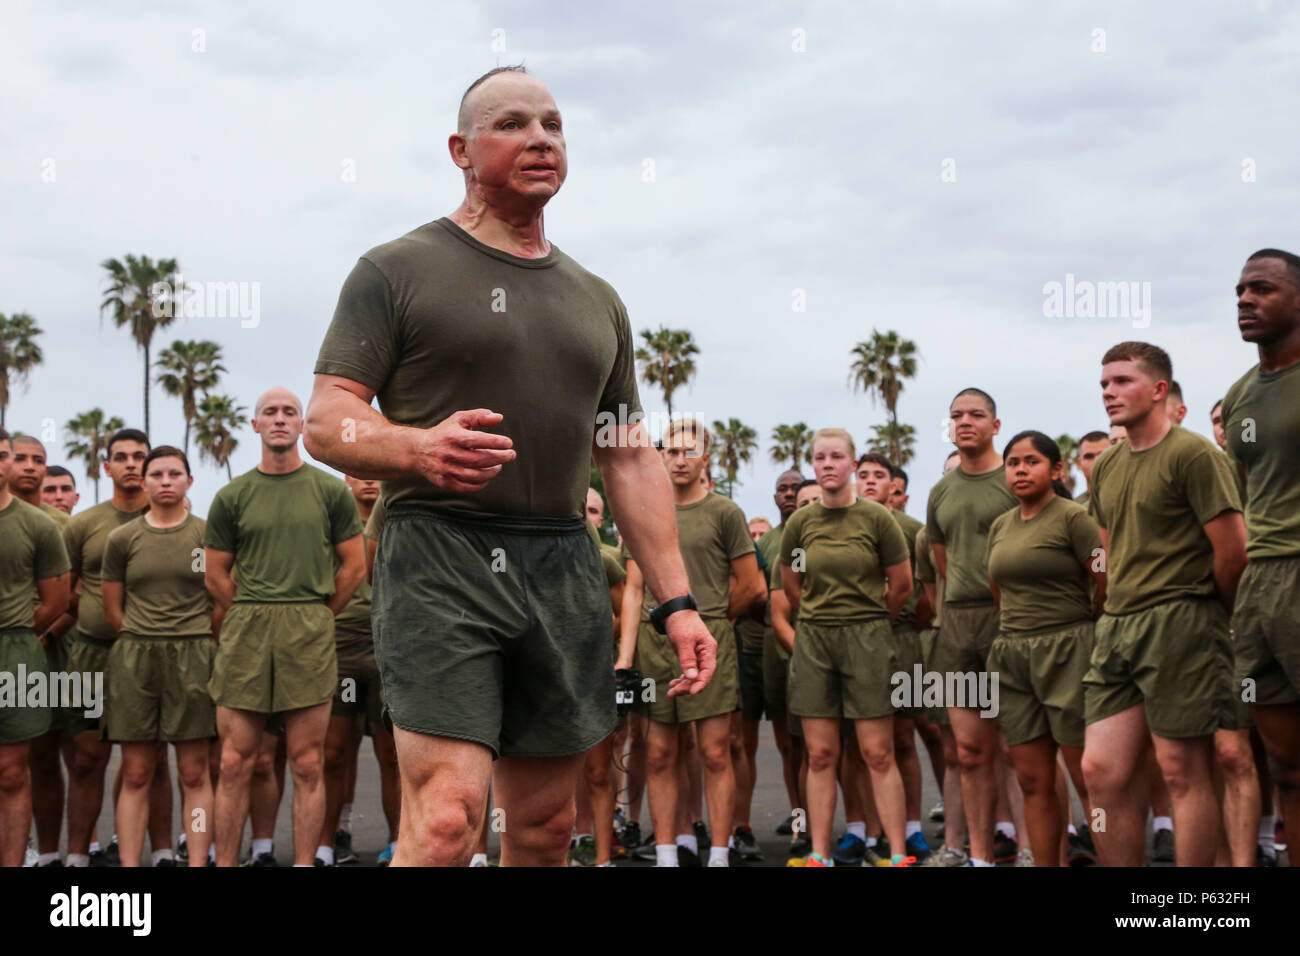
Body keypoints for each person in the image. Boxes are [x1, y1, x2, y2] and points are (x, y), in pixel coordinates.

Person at [305, 66, 719, 867]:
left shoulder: (596, 298)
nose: (540, 139)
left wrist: (677, 603)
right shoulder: (397, 268)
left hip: (562, 559)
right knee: (451, 818)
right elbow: (328, 418)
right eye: (514, 124)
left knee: (544, 827)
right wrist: (414, 448)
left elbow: (627, 457)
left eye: (554, 125)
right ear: (461, 150)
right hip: (439, 553)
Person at [1081, 342, 1246, 867]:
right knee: (1100, 771)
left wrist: (1209, 617)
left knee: (1182, 771)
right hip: (1118, 627)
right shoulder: (1105, 466)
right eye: (1105, 382)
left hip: (1183, 619)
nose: (1109, 392)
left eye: (1123, 381)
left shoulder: (1194, 454)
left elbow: (1233, 553)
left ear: (1158, 390)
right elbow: (1108, 552)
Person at [204, 388, 366, 867]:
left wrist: (316, 615)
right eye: (269, 412)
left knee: (308, 762)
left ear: (301, 425)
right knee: (235, 762)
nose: (279, 419)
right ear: (254, 425)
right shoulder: (232, 496)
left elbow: (354, 567)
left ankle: (303, 862)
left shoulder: (330, 491)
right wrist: (252, 611)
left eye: (289, 412)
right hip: (247, 628)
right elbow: (214, 574)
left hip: (309, 630)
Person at [621, 419, 764, 866]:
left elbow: (751, 585)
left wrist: (713, 621)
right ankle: (666, 852)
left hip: (710, 639)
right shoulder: (643, 510)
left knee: (715, 751)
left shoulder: (725, 513)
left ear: (705, 459)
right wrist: (624, 660)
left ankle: (718, 854)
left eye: (688, 452)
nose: (678, 459)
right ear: (660, 456)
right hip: (654, 643)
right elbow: (634, 590)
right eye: (670, 451)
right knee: (659, 753)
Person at [781, 429, 914, 867]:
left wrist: (871, 621)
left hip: (869, 638)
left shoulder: (877, 519)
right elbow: (792, 586)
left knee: (878, 752)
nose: (828, 464)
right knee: (820, 754)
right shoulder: (801, 523)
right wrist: (822, 617)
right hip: (815, 640)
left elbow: (902, 586)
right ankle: (819, 853)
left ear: (852, 465)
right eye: (820, 457)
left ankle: (896, 853)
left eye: (837, 456)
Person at [985, 431, 1105, 866]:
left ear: (1057, 470)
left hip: (1070, 650)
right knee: (1033, 780)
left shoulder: (1073, 518)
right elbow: (998, 588)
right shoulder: (1001, 525)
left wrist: (1080, 632)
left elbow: (1104, 579)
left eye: (1031, 461)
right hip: (1013, 654)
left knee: (1087, 778)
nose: (1019, 469)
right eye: (1013, 462)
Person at [62, 428, 174, 867]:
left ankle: (163, 851)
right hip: (92, 655)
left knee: (154, 760)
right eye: (121, 457)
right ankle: (76, 855)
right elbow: (65, 586)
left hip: (153, 657)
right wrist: (97, 611)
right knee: (88, 759)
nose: (131, 464)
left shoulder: (175, 521)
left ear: (149, 468)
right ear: (106, 467)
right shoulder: (83, 524)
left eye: (139, 457)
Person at [101, 446, 217, 868]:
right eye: (157, 474)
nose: (165, 481)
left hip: (194, 655)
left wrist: (199, 642)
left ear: (189, 480)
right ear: (144, 482)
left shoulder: (206, 537)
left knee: (193, 773)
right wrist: (141, 640)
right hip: (135, 657)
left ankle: (199, 860)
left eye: (174, 473)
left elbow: (221, 599)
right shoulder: (122, 539)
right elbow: (113, 608)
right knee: (135, 773)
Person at [1223, 248, 1300, 867]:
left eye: (1263, 289)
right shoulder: (1242, 394)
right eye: (1241, 290)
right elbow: (1246, 494)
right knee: (1283, 764)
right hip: (1260, 583)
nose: (1246, 300)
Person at [925, 389, 1019, 867]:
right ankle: (978, 856)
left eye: (976, 414)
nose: (965, 422)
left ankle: (1033, 850)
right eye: (957, 415)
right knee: (968, 749)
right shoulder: (941, 490)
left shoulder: (1016, 478)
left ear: (995, 426)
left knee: (1020, 746)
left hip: (1012, 619)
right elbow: (943, 561)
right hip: (958, 623)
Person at [319, 476, 399, 867]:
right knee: (336, 749)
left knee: (391, 753)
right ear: (348, 477)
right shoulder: (333, 516)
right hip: (343, 645)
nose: (368, 480)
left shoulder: (396, 508)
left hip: (388, 640)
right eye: (359, 473)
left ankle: (399, 843)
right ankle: (333, 837)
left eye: (374, 473)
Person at [0, 427, 70, 867]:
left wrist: (18, 634)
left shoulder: (40, 526)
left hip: (18, 654)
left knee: (11, 772)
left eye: (1, 454)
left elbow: (58, 602)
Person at [857, 452, 931, 861]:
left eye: (879, 476)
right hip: (852, 643)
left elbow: (926, 594)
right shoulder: (840, 524)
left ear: (893, 486)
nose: (870, 481)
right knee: (864, 744)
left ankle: (913, 826)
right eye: (863, 474)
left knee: (903, 738)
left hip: (901, 639)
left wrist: (902, 626)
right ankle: (872, 831)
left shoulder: (912, 530)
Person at [572, 486, 627, 867]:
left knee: (597, 771)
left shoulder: (605, 558)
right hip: (543, 674)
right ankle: (566, 846)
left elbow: (624, 612)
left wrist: (599, 636)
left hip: (593, 674)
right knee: (552, 769)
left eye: (591, 510)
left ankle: (603, 859)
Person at [754, 470, 805, 846]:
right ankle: (799, 818)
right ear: (775, 498)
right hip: (776, 647)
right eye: (782, 489)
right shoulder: (768, 542)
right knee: (788, 743)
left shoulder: (817, 532)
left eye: (795, 489)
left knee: (828, 744)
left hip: (826, 642)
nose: (788, 494)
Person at [1072, 431, 1111, 510]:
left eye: (1103, 455)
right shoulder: (1071, 509)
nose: (1097, 461)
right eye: (1089, 457)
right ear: (1079, 464)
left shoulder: (1131, 498)